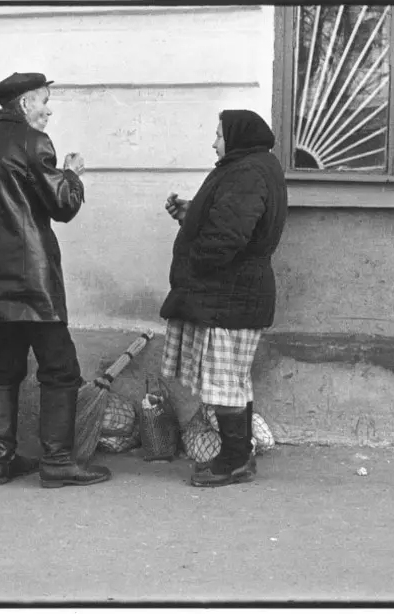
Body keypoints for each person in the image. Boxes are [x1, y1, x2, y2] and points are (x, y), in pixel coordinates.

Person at [0, 72, 111, 488]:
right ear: (24, 105)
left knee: (5, 370)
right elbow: (63, 205)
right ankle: (57, 462)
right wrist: (71, 173)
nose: (48, 109)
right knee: (60, 368)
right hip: (32, 287)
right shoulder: (33, 142)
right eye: (43, 100)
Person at [160, 109, 288, 488]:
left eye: (218, 134)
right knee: (233, 380)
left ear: (236, 137)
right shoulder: (252, 168)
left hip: (229, 296)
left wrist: (194, 262)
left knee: (225, 383)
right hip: (236, 294)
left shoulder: (246, 172)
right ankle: (238, 457)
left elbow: (228, 238)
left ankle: (234, 460)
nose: (213, 142)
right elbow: (230, 221)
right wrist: (192, 214)